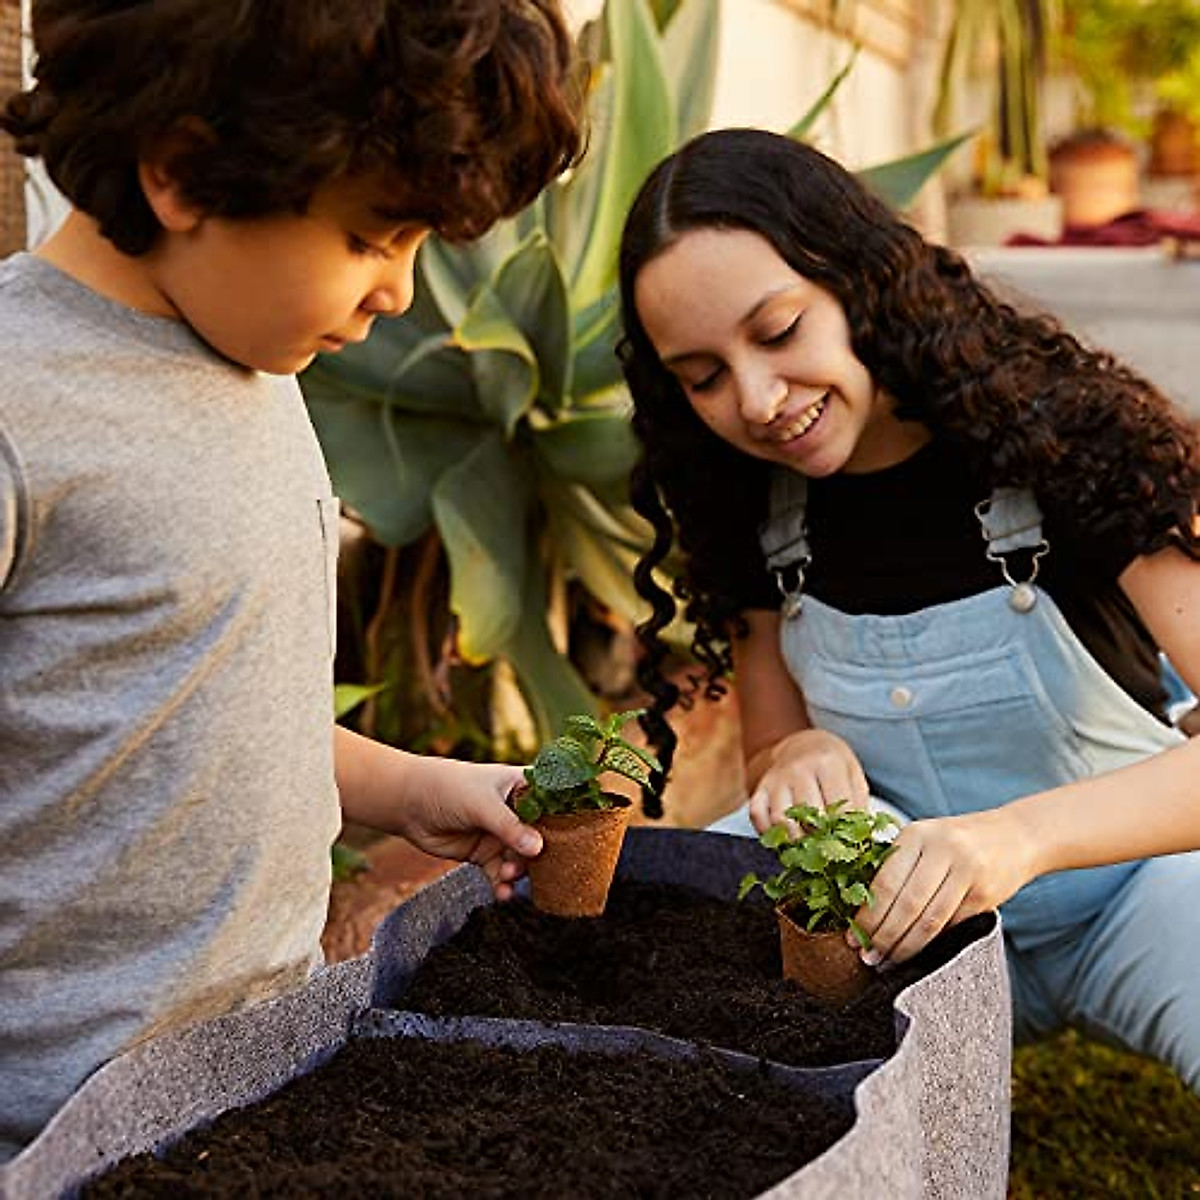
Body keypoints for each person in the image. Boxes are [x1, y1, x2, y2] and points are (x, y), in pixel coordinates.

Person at [0, 0, 583, 1159]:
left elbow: (174, 713)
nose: (401, 294)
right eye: (373, 238)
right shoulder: (24, 407)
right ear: (184, 172)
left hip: (268, 1078)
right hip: (60, 1132)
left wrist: (407, 785)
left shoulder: (248, 356)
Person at [618, 128, 1200, 1087]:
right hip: (901, 930)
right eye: (704, 377)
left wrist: (1018, 838)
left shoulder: (1061, 438)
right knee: (675, 943)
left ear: (858, 281)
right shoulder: (745, 499)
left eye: (777, 332)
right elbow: (771, 745)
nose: (757, 401)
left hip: (1135, 896)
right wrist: (794, 755)